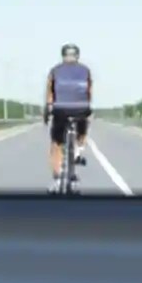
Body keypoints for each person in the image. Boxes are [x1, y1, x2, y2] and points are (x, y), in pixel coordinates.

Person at [43, 43, 92, 193]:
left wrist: (48, 109)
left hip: (60, 110)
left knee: (56, 143)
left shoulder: (55, 71)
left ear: (63, 56)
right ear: (77, 56)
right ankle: (79, 149)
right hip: (81, 108)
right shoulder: (86, 70)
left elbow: (50, 93)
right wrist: (86, 106)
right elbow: (89, 92)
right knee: (85, 121)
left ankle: (57, 179)